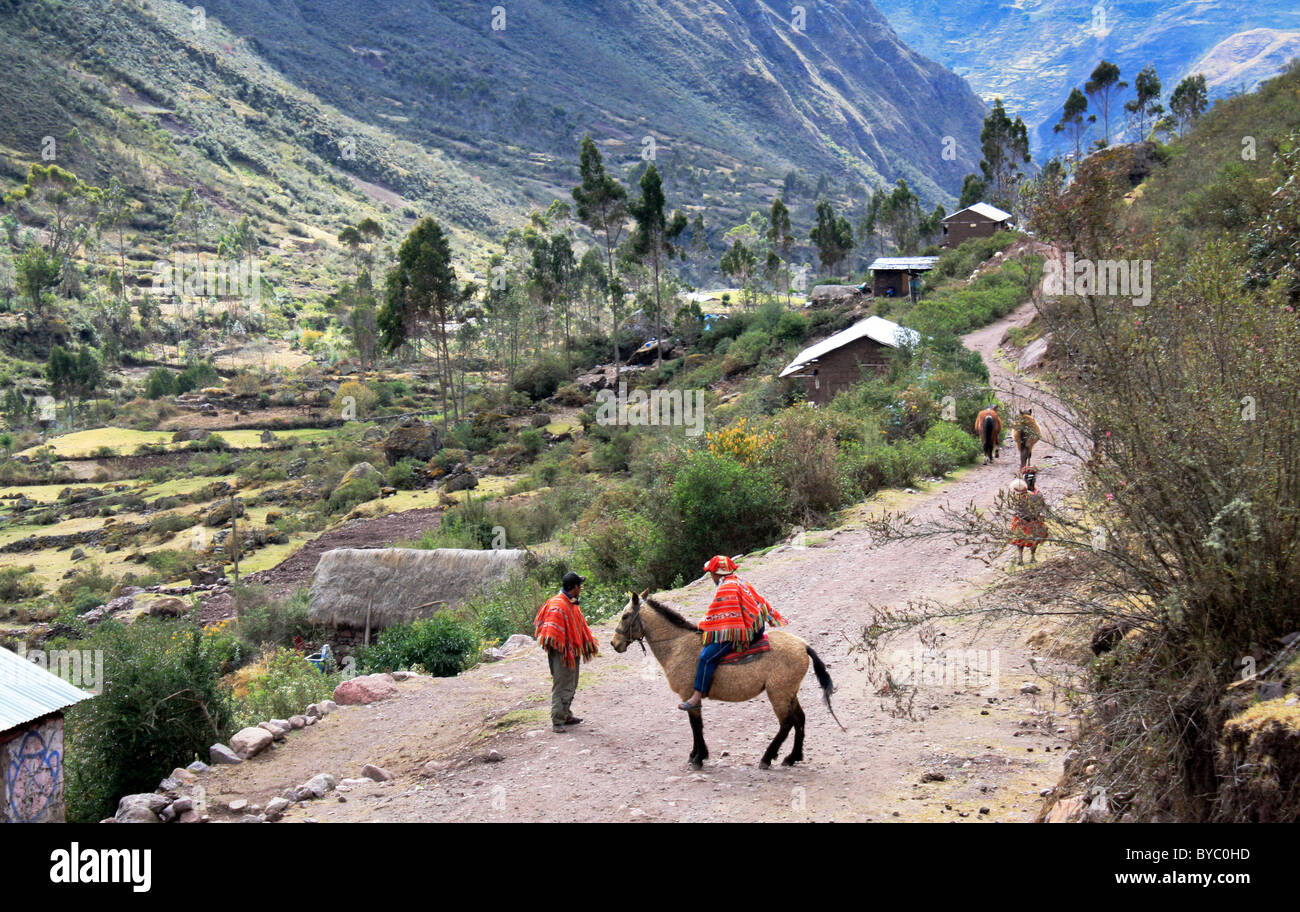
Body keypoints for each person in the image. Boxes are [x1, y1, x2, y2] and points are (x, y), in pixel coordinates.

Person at [678, 555, 786, 711]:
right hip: (756, 625)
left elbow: (724, 619)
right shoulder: (738, 580)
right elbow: (756, 601)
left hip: (747, 631)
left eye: (711, 573)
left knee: (706, 657)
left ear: (717, 573)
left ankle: (696, 697)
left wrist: (703, 627)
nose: (711, 576)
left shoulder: (726, 588)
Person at [534, 571, 599, 733]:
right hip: (561, 652)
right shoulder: (558, 605)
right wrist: (562, 646)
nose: (581, 588)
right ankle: (557, 720)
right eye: (580, 585)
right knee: (561, 685)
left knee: (572, 683)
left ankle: (566, 714)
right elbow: (551, 631)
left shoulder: (569, 602)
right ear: (575, 587)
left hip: (571, 650)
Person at [1009, 465, 1048, 564]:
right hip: (1029, 519)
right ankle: (1028, 557)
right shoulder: (1036, 494)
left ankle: (1022, 558)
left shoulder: (1021, 494)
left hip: (1025, 519)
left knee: (1023, 539)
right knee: (1029, 539)